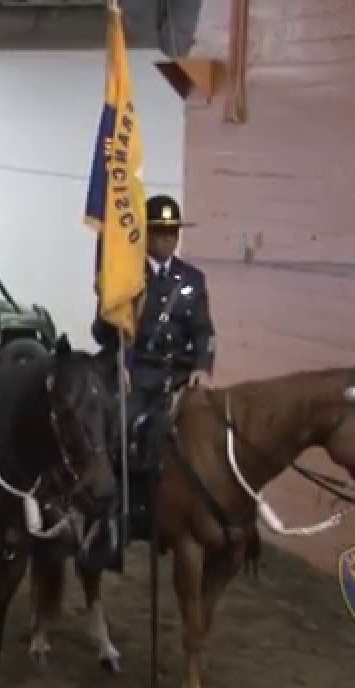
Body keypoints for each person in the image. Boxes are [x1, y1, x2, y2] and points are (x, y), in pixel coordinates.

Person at [92, 194, 214, 541]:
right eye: (160, 232)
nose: (167, 240)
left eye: (172, 232)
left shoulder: (192, 279)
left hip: (178, 376)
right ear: (145, 235)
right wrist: (105, 305)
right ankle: (118, 510)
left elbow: (204, 330)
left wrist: (203, 365)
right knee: (121, 429)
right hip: (136, 373)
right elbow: (103, 334)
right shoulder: (126, 276)